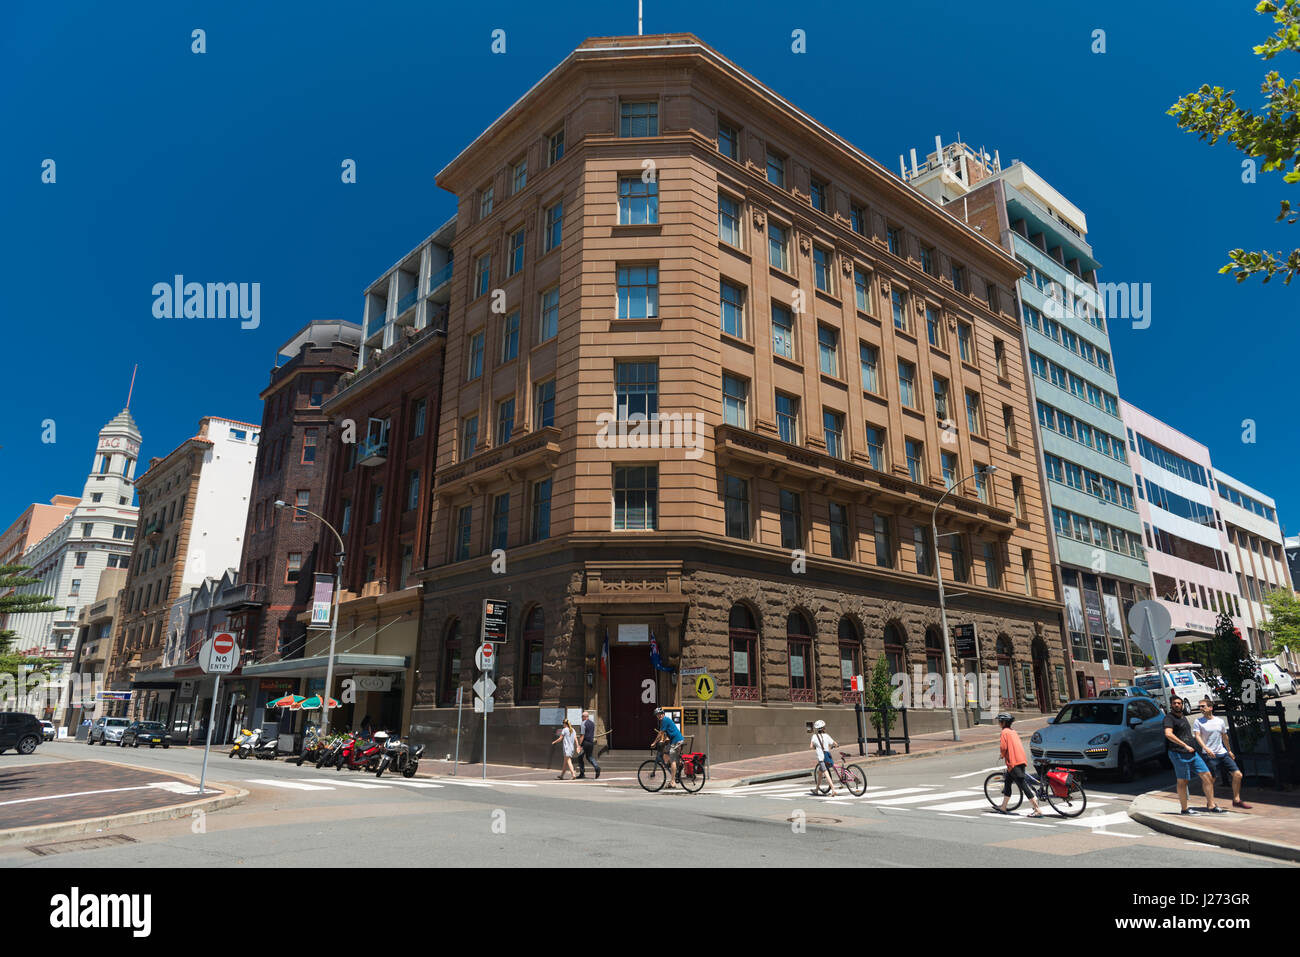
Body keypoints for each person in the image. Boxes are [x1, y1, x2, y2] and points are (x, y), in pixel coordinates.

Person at [1163, 695, 1223, 815]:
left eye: (1179, 703)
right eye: (1174, 703)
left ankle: (1211, 805)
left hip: (1192, 753)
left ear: (1182, 705)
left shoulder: (1183, 717)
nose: (1177, 705)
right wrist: (1184, 745)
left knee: (1207, 776)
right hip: (1178, 753)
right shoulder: (1169, 718)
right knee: (1183, 781)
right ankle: (1184, 809)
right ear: (1171, 705)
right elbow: (1168, 734)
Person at [1193, 697, 1251, 810]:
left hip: (1222, 753)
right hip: (1209, 755)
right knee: (1210, 780)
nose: (1200, 708)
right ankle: (1211, 804)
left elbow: (1225, 736)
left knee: (1238, 775)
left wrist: (1229, 750)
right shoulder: (1198, 721)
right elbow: (1197, 736)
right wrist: (1206, 748)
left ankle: (1236, 800)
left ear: (1210, 708)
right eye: (1199, 706)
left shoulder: (1219, 721)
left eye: (1203, 706)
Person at [995, 712, 1042, 817]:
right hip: (1020, 760)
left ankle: (1037, 809)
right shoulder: (1013, 732)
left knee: (1023, 785)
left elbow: (1003, 747)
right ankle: (1003, 807)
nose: (999, 723)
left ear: (1003, 722)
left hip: (1013, 762)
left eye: (999, 721)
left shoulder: (1004, 732)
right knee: (1007, 782)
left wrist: (1002, 755)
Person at [651, 707, 685, 788]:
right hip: (675, 740)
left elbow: (660, 733)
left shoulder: (665, 720)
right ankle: (678, 766)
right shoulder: (665, 720)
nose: (659, 716)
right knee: (666, 752)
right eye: (657, 715)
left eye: (660, 714)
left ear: (663, 714)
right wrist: (664, 741)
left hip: (677, 740)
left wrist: (654, 743)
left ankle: (673, 782)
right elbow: (666, 734)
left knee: (672, 759)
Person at [810, 719, 839, 797]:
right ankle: (816, 790)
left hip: (821, 759)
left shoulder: (814, 736)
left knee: (826, 773)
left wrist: (817, 747)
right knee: (820, 773)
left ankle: (833, 790)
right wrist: (833, 746)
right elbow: (835, 744)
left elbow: (811, 746)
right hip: (827, 757)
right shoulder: (826, 736)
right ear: (823, 728)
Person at [574, 710, 600, 780]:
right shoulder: (592, 723)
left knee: (580, 757)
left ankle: (582, 773)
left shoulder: (583, 724)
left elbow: (582, 735)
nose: (581, 717)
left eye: (582, 716)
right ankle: (596, 767)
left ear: (585, 717)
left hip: (585, 743)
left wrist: (579, 745)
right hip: (591, 743)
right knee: (589, 756)